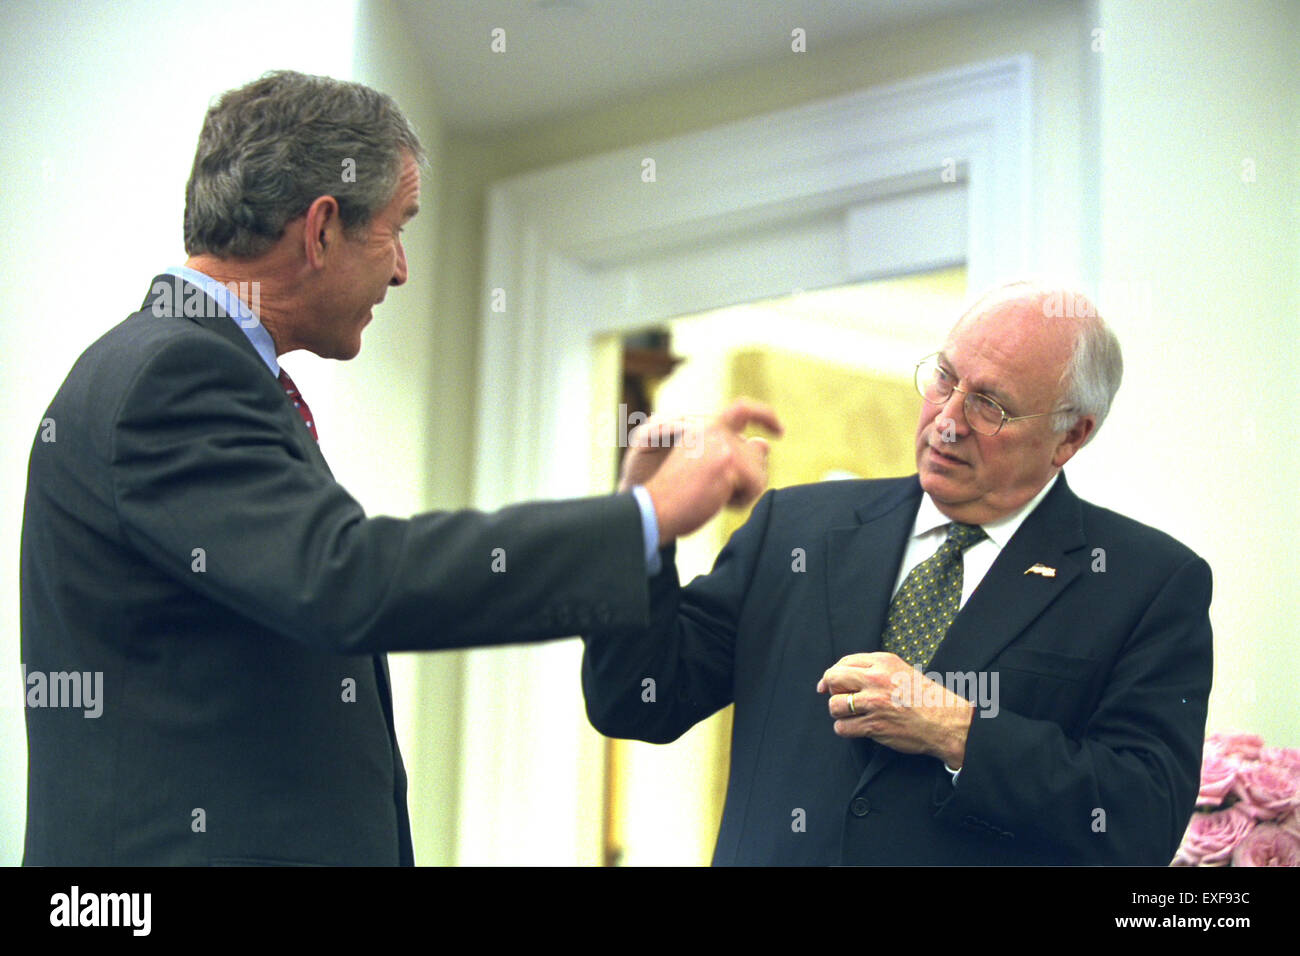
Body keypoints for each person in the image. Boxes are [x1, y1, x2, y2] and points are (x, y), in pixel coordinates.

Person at [19, 70, 779, 866]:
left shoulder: (186, 365)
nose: (402, 269)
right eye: (395, 228)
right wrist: (647, 519)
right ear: (319, 230)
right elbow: (346, 577)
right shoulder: (172, 373)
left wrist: (633, 510)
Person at [581, 282, 1213, 865]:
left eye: (989, 405)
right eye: (944, 378)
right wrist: (640, 525)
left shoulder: (1145, 584)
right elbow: (638, 701)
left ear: (1069, 435)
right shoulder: (795, 528)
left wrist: (959, 731)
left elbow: (1141, 818)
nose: (947, 418)